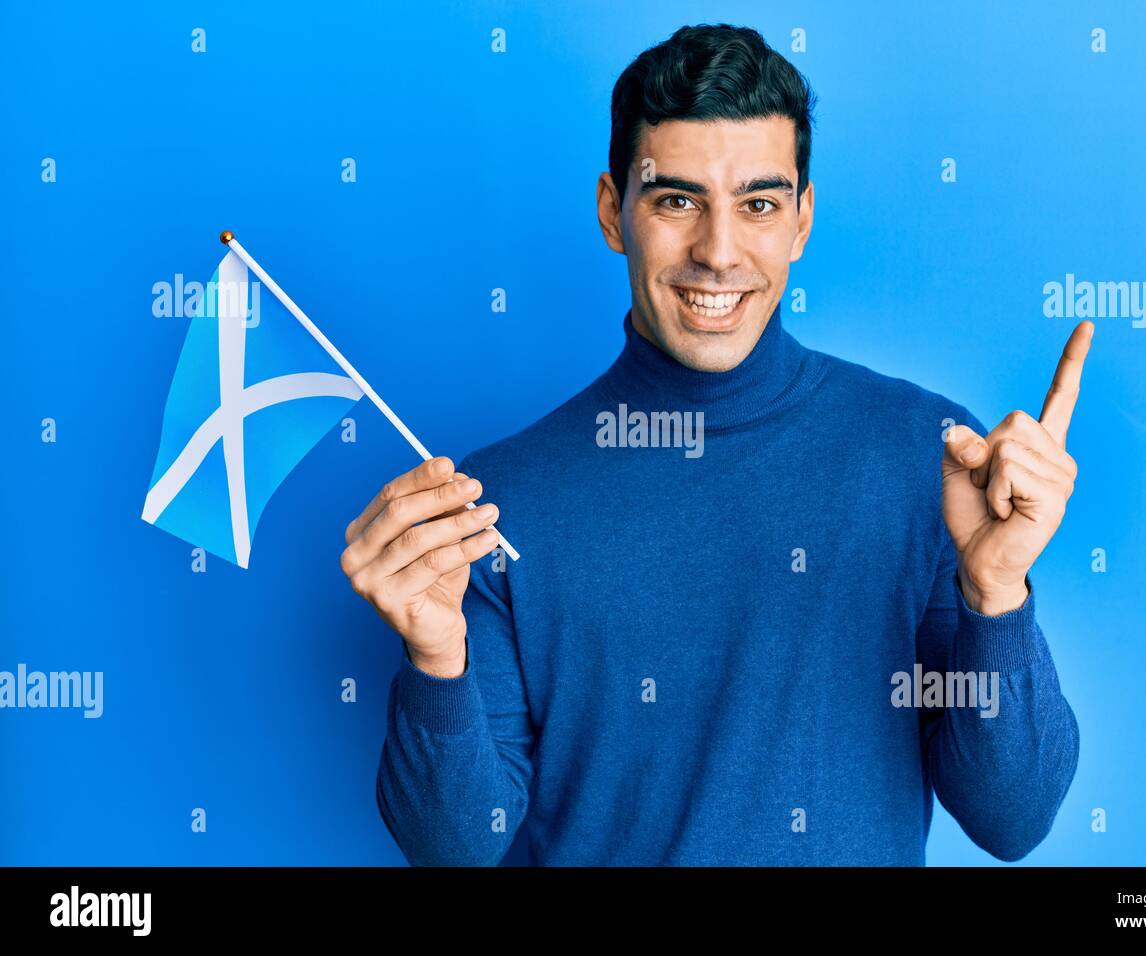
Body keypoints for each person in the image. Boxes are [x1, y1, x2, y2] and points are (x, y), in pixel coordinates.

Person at [341, 23, 1086, 865]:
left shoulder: (930, 455)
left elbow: (1012, 819)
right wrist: (434, 658)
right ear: (612, 212)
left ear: (801, 222)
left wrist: (997, 594)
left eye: (758, 204)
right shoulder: (491, 504)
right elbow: (456, 848)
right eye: (675, 200)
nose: (718, 252)